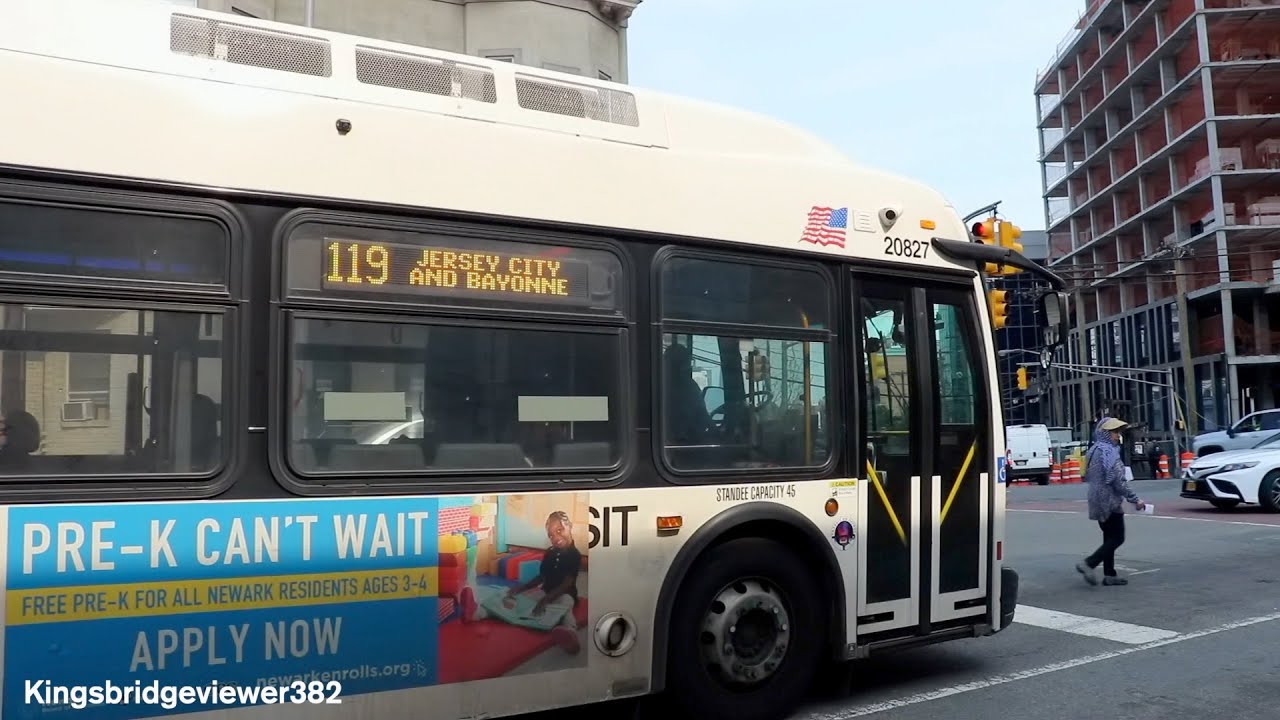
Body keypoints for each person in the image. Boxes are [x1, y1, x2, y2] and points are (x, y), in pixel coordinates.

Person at [460, 510, 583, 654]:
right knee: (510, 598)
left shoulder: (574, 555)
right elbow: (542, 576)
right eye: (551, 535)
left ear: (570, 526)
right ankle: (477, 614)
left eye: (559, 530)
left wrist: (545, 601)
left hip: (564, 594)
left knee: (566, 606)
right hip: (545, 591)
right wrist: (522, 588)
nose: (555, 537)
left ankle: (570, 632)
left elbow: (567, 584)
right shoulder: (550, 552)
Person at [1076, 417, 1145, 586]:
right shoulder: (1109, 452)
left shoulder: (1094, 450)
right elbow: (1118, 481)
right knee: (1118, 537)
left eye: (1118, 432)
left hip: (1095, 497)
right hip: (1108, 499)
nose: (1117, 436)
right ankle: (1089, 563)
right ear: (1105, 434)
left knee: (1109, 536)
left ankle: (1110, 574)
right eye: (1114, 432)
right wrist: (1135, 499)